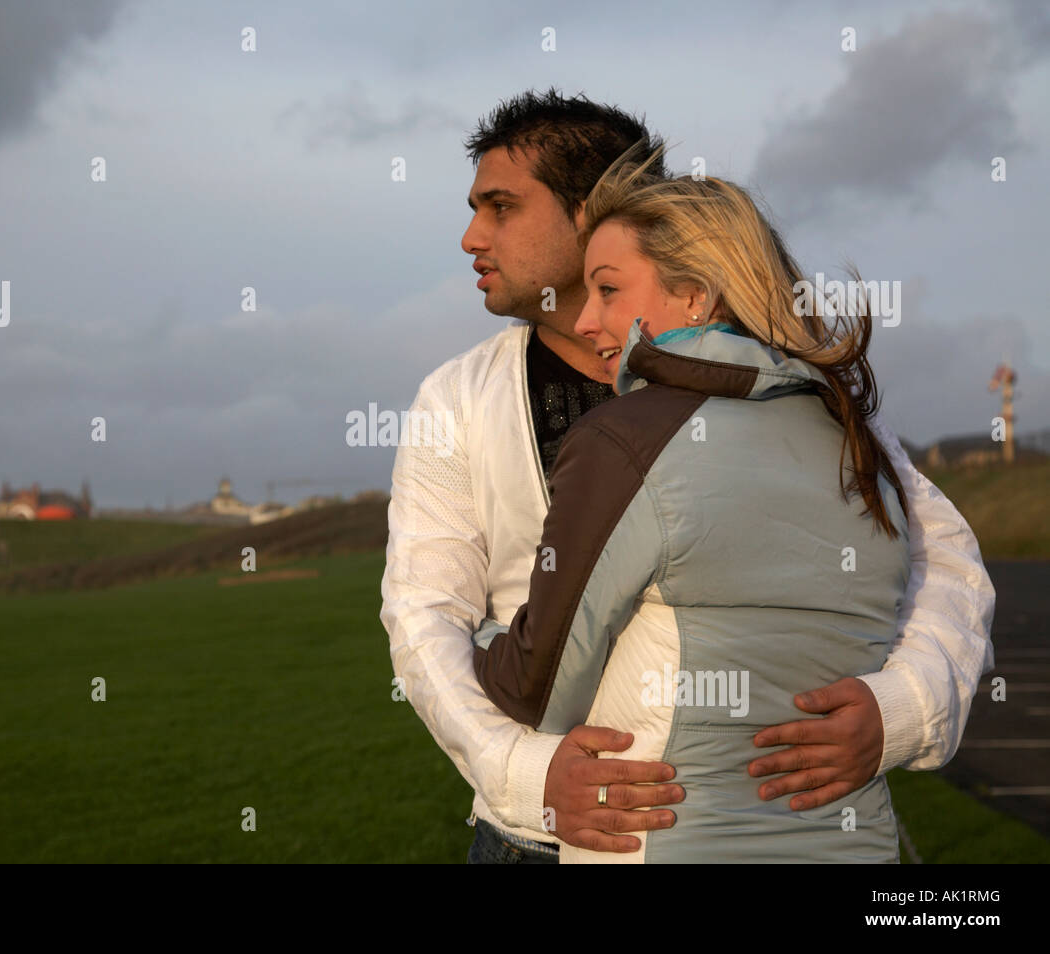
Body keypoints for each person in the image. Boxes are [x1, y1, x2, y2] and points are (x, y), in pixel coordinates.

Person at [379, 89, 995, 864]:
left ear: (594, 209)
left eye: (501, 207)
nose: (472, 236)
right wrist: (525, 772)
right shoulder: (459, 399)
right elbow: (422, 610)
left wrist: (898, 710)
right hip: (531, 837)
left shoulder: (802, 388)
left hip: (782, 831)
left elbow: (947, 562)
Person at [474, 143, 914, 863]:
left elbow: (537, 690)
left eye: (608, 291)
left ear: (696, 296)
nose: (587, 322)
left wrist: (478, 637)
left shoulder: (623, 441)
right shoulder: (857, 443)